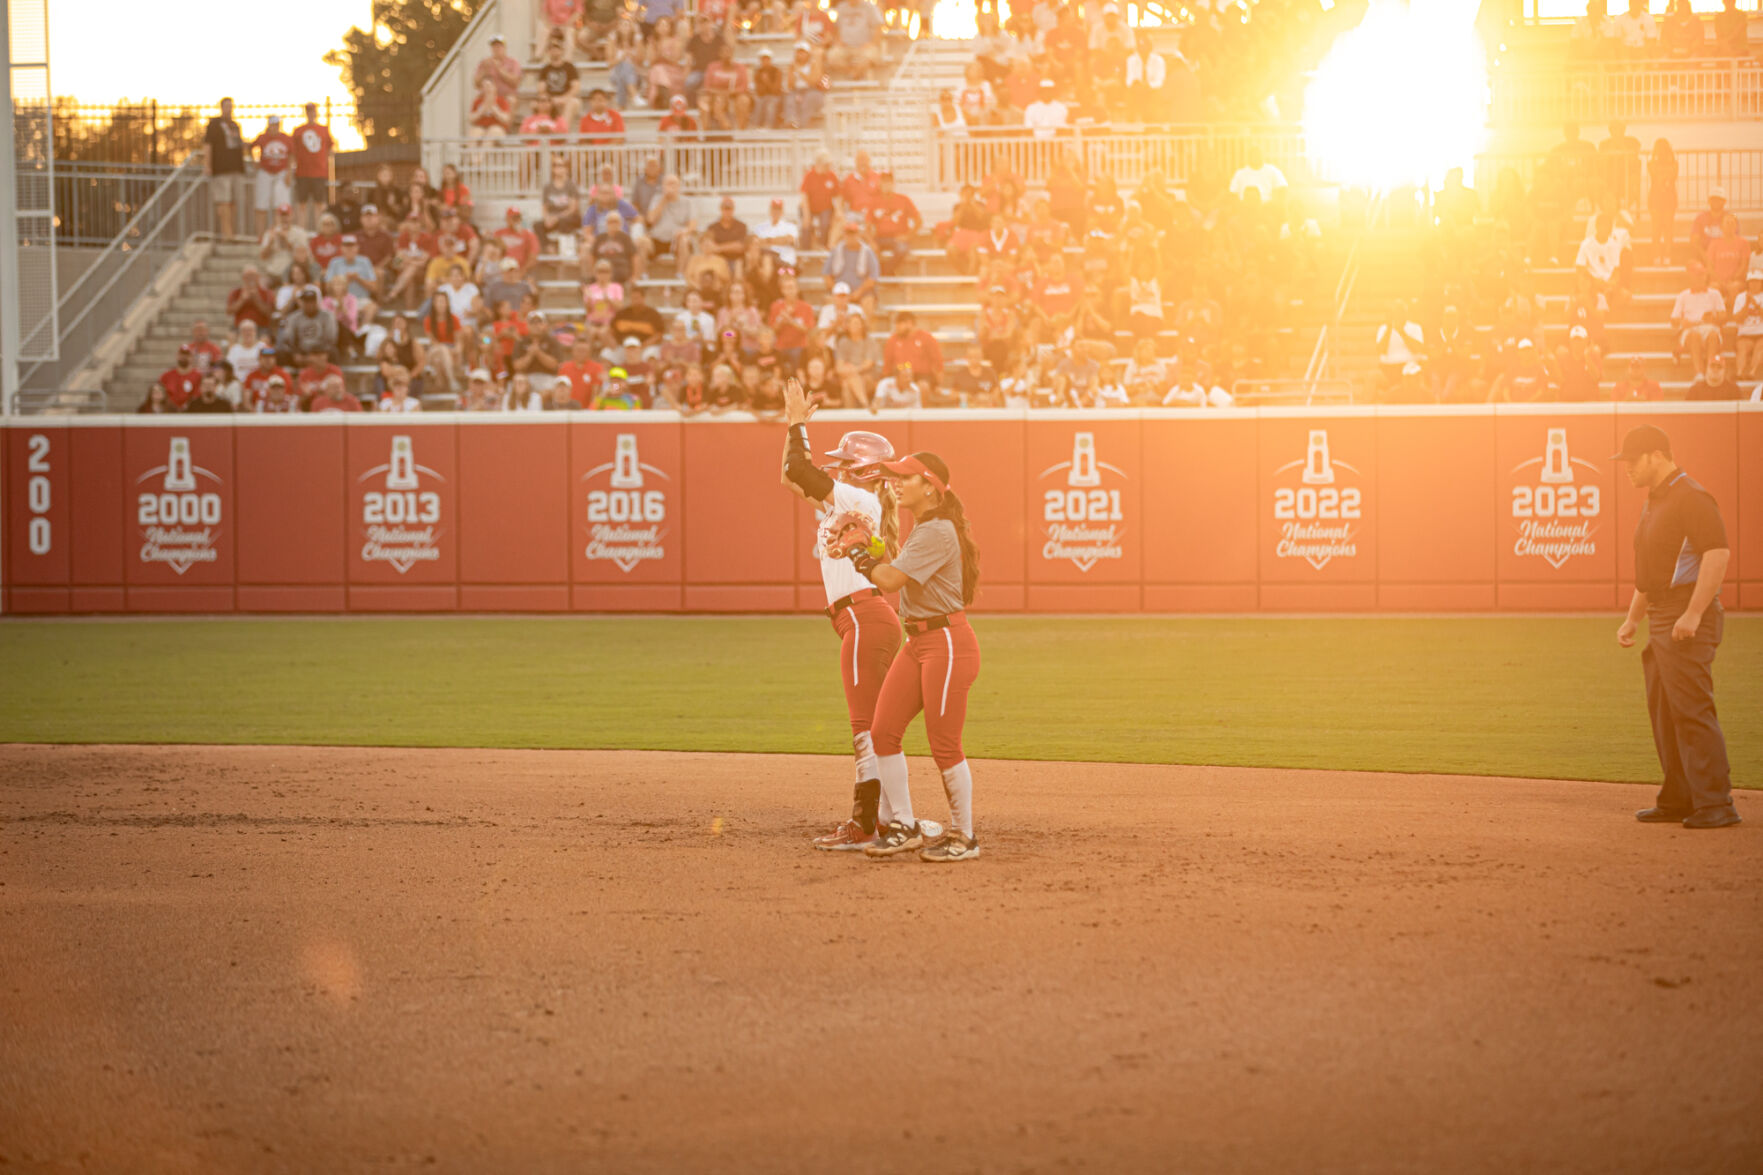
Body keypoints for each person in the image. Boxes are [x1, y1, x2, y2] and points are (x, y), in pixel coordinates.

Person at [838, 450, 983, 862]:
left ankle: (964, 835)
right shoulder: (927, 527)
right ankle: (903, 825)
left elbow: (888, 579)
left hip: (947, 644)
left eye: (906, 477)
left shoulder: (937, 530)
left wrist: (857, 554)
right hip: (918, 643)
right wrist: (871, 546)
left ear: (930, 488)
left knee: (944, 744)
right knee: (883, 732)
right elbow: (893, 563)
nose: (898, 483)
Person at [778, 381, 903, 850]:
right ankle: (888, 819)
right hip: (867, 619)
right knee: (876, 728)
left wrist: (796, 423)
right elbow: (789, 477)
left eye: (847, 462)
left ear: (866, 469)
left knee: (864, 729)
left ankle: (865, 825)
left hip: (864, 619)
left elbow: (799, 467)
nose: (839, 467)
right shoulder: (852, 502)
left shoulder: (859, 500)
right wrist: (790, 426)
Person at [1614, 425, 1740, 829]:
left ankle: (1716, 803)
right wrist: (1634, 618)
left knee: (1691, 710)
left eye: (1632, 460)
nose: (1627, 469)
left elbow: (1717, 554)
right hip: (1661, 614)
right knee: (1666, 712)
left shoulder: (1691, 496)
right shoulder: (1655, 500)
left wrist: (1694, 613)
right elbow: (1651, 574)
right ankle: (1679, 798)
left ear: (1655, 455)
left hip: (1686, 614)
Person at [1670, 267, 1726, 376]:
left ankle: (1710, 371)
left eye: (1701, 275)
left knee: (1713, 335)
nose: (1699, 278)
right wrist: (1682, 322)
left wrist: (1713, 319)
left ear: (1705, 277)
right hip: (1691, 329)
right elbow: (1673, 319)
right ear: (1690, 278)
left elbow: (1724, 318)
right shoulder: (1683, 295)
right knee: (1694, 335)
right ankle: (1699, 373)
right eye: (1696, 275)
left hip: (1710, 327)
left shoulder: (1715, 294)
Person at [290, 103, 334, 231]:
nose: (311, 113)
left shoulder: (323, 130)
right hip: (302, 172)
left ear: (316, 112)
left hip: (319, 173)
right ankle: (301, 231)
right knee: (301, 205)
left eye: (313, 111)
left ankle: (319, 231)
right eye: (308, 111)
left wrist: (324, 162)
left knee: (319, 204)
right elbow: (293, 151)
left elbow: (330, 149)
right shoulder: (298, 131)